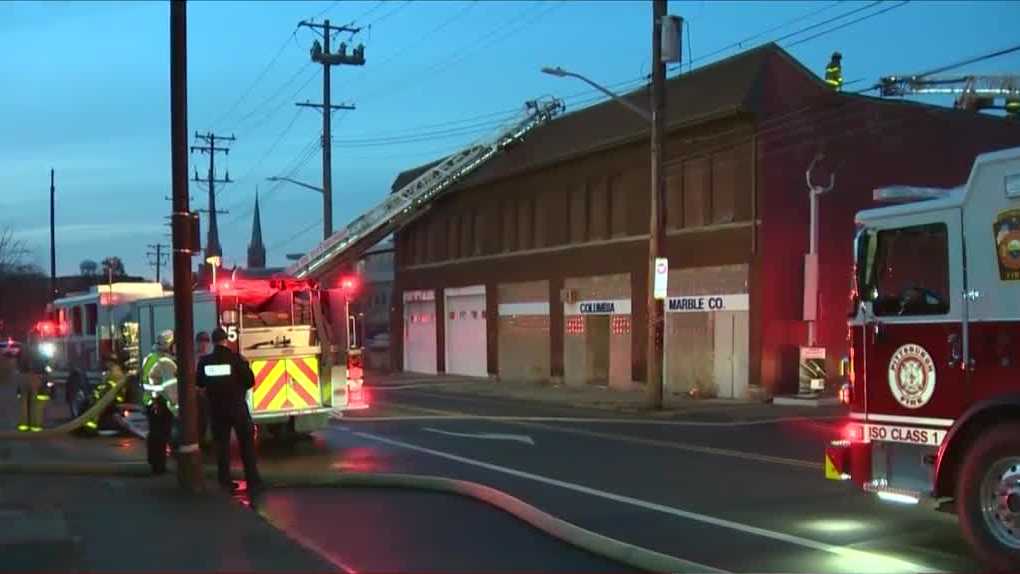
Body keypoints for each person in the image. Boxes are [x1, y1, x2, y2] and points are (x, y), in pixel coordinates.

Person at [196, 327, 263, 493]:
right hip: (237, 409)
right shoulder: (236, 359)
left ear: (212, 342)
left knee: (222, 447)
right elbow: (250, 381)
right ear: (226, 340)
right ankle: (253, 481)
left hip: (217, 409)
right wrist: (245, 365)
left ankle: (224, 481)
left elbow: (200, 382)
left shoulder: (205, 361)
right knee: (246, 446)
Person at [141, 330, 177, 474]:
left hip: (151, 402)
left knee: (155, 434)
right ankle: (159, 466)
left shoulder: (150, 358)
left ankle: (155, 464)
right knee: (161, 435)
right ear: (169, 345)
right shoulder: (166, 362)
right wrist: (175, 406)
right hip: (160, 403)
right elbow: (169, 387)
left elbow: (146, 380)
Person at [15, 329, 50, 432]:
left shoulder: (22, 348)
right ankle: (36, 425)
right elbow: (45, 363)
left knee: (23, 402)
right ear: (37, 338)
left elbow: (18, 361)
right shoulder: (40, 349)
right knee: (35, 403)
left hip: (23, 376)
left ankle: (23, 425)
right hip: (35, 377)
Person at [194, 331, 211, 445]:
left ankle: (204, 438)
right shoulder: (193, 358)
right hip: (197, 393)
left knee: (206, 418)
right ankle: (200, 439)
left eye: (206, 341)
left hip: (208, 392)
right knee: (200, 419)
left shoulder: (210, 357)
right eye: (201, 341)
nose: (204, 344)